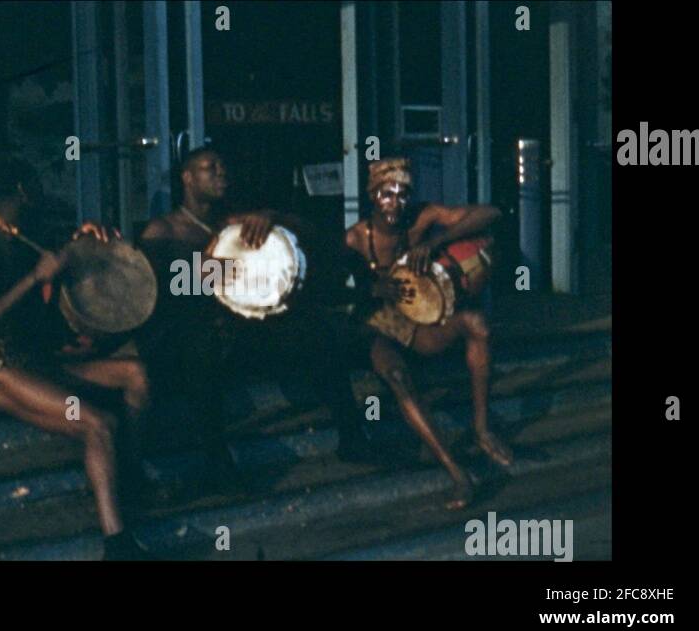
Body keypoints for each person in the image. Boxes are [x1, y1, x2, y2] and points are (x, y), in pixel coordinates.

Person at [0, 153, 152, 559]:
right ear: (24, 190)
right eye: (37, 185)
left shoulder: (19, 235)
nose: (42, 192)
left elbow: (61, 255)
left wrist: (84, 241)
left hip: (31, 358)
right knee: (98, 423)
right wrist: (34, 278)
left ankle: (126, 475)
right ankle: (117, 543)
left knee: (135, 373)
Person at [138, 147, 367, 490]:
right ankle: (217, 459)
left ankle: (352, 435)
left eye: (223, 166)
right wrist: (217, 269)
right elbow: (159, 289)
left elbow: (309, 234)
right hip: (192, 332)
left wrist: (271, 216)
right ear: (187, 177)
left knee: (316, 329)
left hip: (241, 326)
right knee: (201, 347)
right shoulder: (164, 230)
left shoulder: (233, 222)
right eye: (210, 167)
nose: (221, 173)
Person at [343, 157, 514, 510]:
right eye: (387, 194)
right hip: (377, 325)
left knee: (476, 324)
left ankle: (482, 429)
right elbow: (328, 289)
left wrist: (436, 243)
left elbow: (492, 213)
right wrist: (372, 291)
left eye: (403, 194)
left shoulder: (422, 218)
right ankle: (457, 474)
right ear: (372, 195)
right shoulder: (357, 238)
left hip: (420, 322)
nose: (396, 202)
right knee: (396, 375)